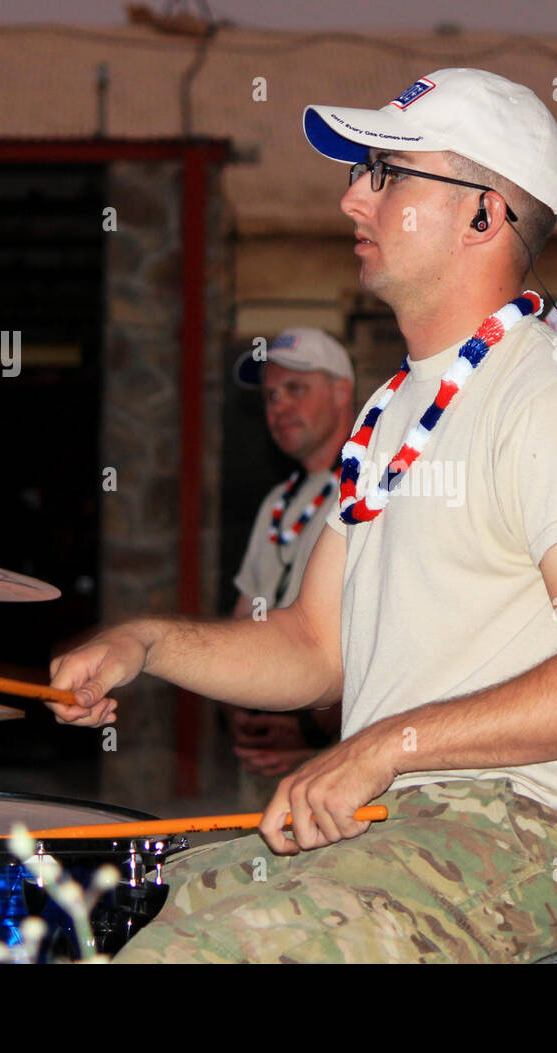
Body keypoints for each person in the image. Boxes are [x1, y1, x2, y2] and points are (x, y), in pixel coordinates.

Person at [48, 67, 557, 963]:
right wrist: (147, 642)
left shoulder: (552, 400)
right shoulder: (390, 412)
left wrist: (388, 743)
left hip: (526, 831)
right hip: (390, 823)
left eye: (386, 174)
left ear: (482, 214)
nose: (352, 197)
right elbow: (313, 647)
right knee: (102, 915)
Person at [223, 329, 353, 796]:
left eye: (296, 389)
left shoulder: (373, 494)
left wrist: (314, 735)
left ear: (342, 391)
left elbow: (383, 640)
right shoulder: (278, 501)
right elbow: (245, 617)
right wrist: (237, 708)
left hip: (336, 760)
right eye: (271, 395)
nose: (279, 406)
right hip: (264, 754)